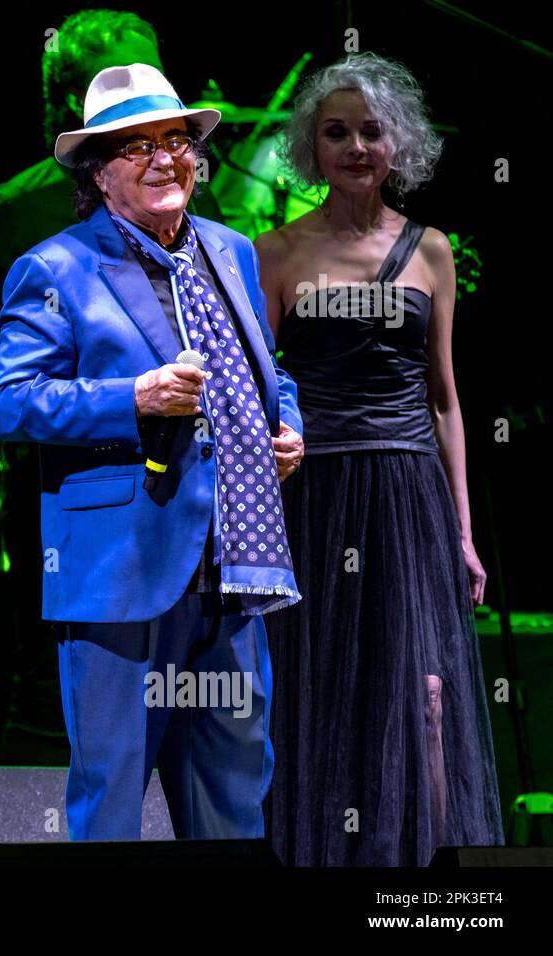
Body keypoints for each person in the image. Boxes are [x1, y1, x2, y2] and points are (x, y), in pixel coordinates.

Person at [0, 63, 304, 840]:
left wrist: (286, 427)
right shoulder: (54, 268)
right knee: (114, 803)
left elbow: (269, 366)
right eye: (138, 146)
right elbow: (8, 403)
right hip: (119, 572)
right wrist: (132, 398)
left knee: (233, 804)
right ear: (97, 172)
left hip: (234, 565)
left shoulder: (231, 250)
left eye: (178, 140)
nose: (167, 158)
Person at [0, 10, 225, 762]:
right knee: (63, 691)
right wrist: (73, 376)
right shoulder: (19, 210)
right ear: (73, 105)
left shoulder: (196, 210)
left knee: (196, 700)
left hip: (187, 487)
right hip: (71, 488)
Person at [256, 52, 504, 865]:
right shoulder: (276, 251)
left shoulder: (433, 250)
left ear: (398, 143)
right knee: (325, 685)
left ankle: (417, 873)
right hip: (316, 493)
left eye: (371, 131)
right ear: (312, 148)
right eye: (337, 133)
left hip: (406, 494)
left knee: (419, 691)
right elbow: (260, 398)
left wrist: (463, 532)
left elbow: (444, 400)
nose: (355, 146)